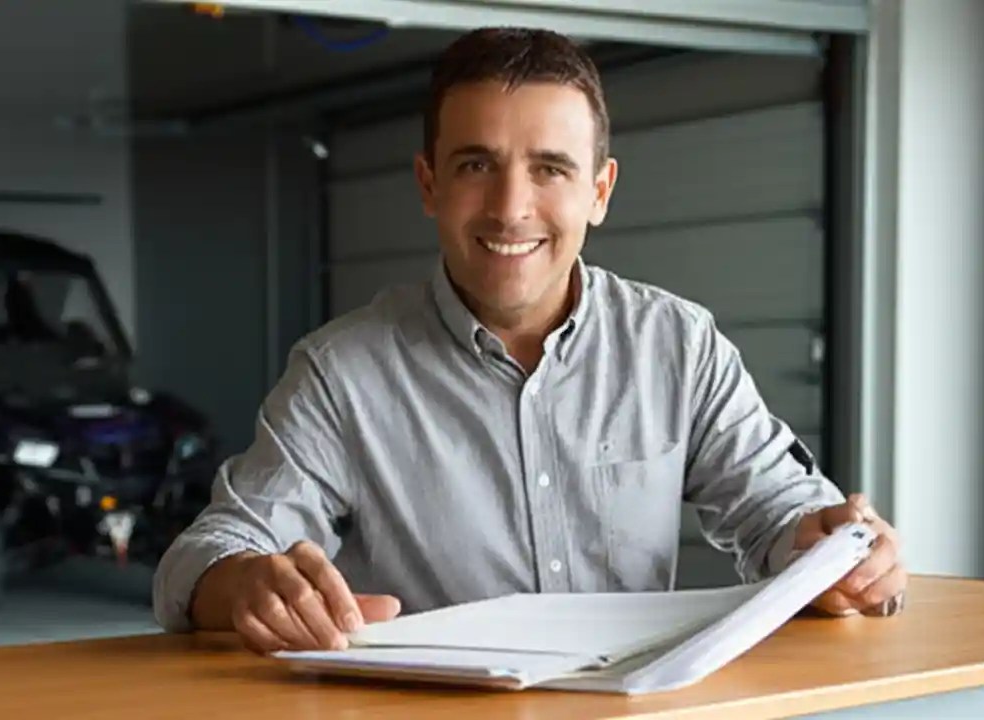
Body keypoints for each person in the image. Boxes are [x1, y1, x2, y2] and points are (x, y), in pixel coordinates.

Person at [153, 27, 907, 654]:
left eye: (549, 168)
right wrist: (247, 583)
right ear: (428, 184)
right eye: (476, 165)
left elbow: (779, 515)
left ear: (600, 190)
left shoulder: (680, 346)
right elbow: (205, 554)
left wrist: (839, 554)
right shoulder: (339, 372)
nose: (511, 209)